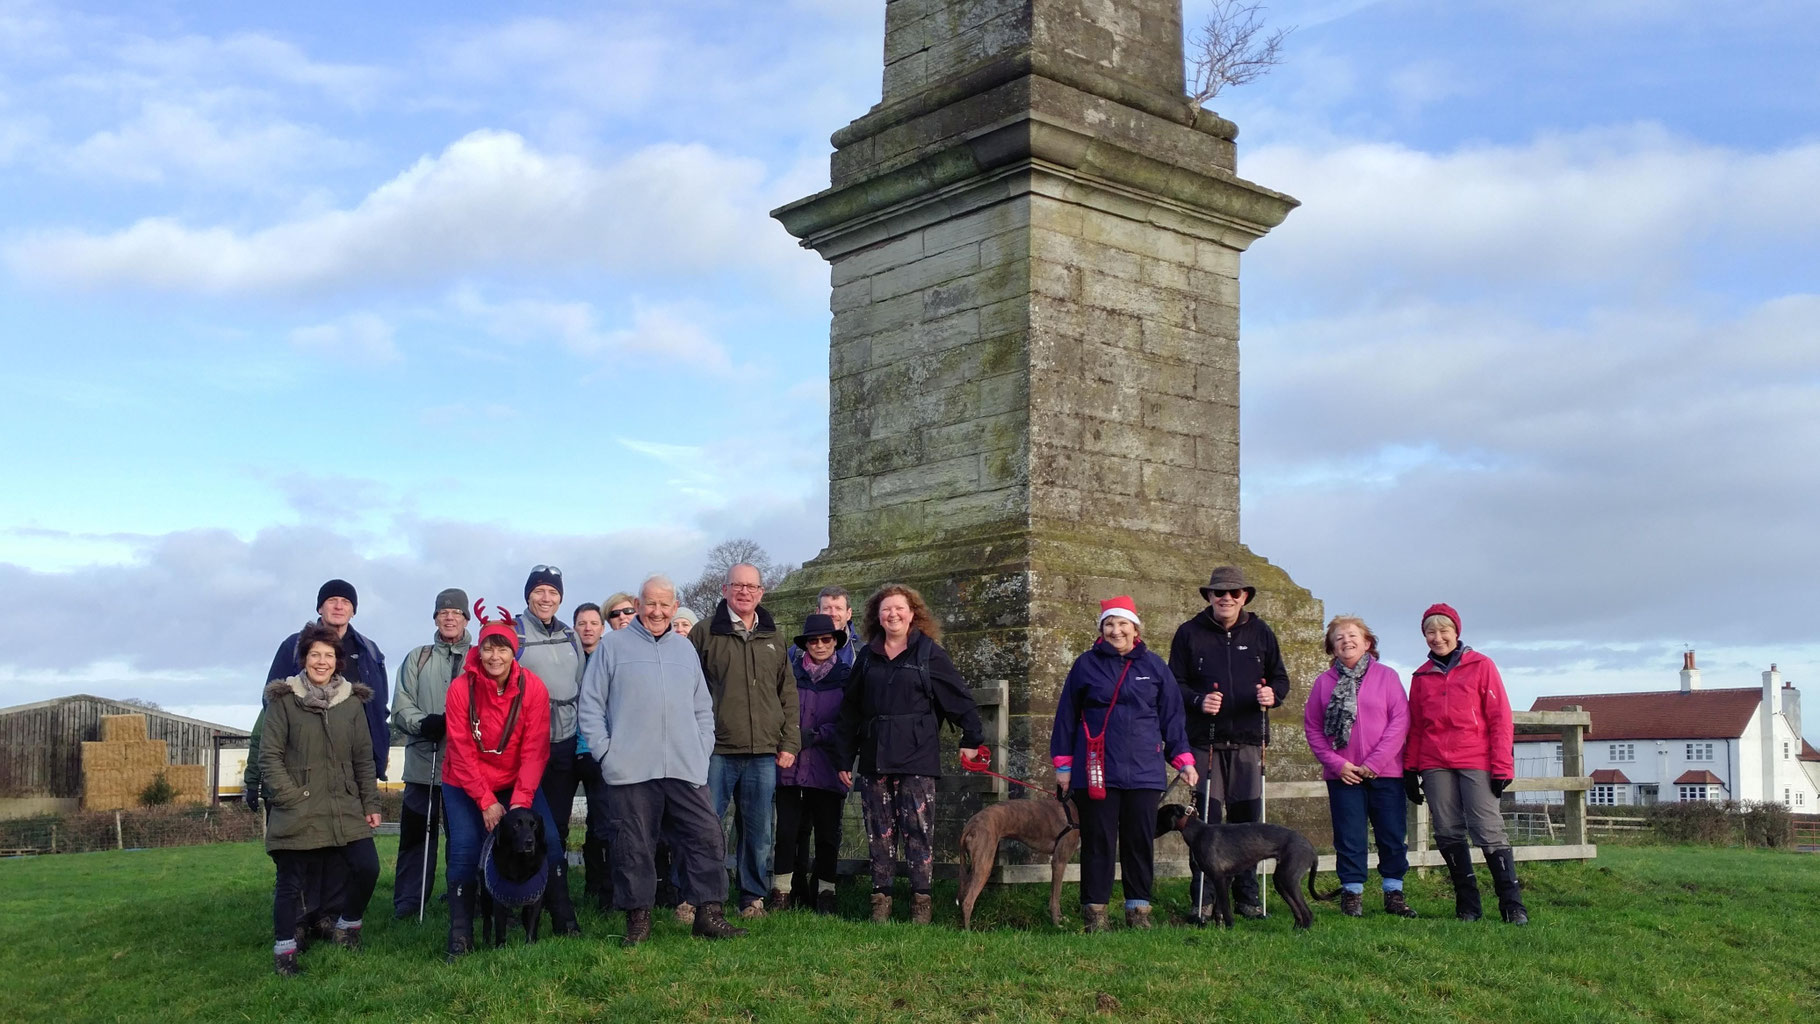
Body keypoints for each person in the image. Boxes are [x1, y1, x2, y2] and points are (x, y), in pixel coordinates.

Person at [579, 574, 748, 945]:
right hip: (631, 770)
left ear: (674, 608)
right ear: (638, 605)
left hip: (685, 767)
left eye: (664, 604)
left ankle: (709, 914)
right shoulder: (613, 647)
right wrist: (607, 753)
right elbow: (590, 706)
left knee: (706, 837)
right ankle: (638, 920)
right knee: (634, 845)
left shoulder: (685, 650)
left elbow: (702, 706)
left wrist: (701, 747)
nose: (657, 611)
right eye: (650, 603)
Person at [837, 583, 987, 925]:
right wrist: (843, 758)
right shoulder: (867, 656)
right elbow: (849, 712)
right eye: (886, 609)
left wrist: (971, 736)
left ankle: (921, 903)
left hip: (917, 757)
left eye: (899, 608)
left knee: (918, 830)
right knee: (879, 832)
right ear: (877, 615)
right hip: (875, 756)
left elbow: (958, 698)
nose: (893, 614)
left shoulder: (928, 652)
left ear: (913, 614)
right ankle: (881, 902)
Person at [255, 578, 392, 943]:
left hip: (344, 776)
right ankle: (300, 923)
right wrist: (286, 792)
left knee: (341, 859)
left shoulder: (368, 651)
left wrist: (378, 761)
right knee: (303, 860)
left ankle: (331, 917)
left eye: (345, 601)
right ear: (319, 607)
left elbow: (376, 712)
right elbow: (271, 720)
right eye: (331, 600)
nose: (338, 606)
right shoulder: (291, 652)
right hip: (301, 778)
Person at [441, 601, 578, 960]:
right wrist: (485, 800)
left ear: (513, 651)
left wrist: (520, 801)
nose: (494, 655)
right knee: (465, 848)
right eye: (488, 647)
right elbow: (459, 748)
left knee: (546, 837)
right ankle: (461, 933)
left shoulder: (532, 688)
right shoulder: (460, 689)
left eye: (502, 647)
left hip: (518, 780)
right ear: (479, 650)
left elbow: (535, 749)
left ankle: (564, 920)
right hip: (464, 781)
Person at [1050, 597, 1197, 932]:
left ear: (1135, 628)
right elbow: (1066, 717)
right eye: (1109, 624)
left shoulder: (1155, 667)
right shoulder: (1085, 666)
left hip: (1144, 770)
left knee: (1139, 840)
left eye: (1122, 624)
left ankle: (1138, 909)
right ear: (1102, 629)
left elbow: (1172, 717)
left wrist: (1183, 759)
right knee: (1099, 841)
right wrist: (1063, 765)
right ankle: (1096, 912)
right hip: (1096, 769)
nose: (1116, 630)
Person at [1168, 565, 1290, 922]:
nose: (1226, 598)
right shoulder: (1189, 633)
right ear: (1208, 595)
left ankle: (1247, 899)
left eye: (1234, 593)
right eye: (1218, 592)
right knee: (1206, 824)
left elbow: (1281, 679)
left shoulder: (1262, 633)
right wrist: (1197, 701)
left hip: (1250, 743)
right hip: (1205, 744)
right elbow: (1174, 684)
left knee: (1249, 826)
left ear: (1245, 597)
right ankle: (1204, 901)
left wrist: (1273, 695)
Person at [690, 563, 799, 918]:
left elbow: (788, 691)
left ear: (761, 592)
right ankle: (696, 897)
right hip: (716, 748)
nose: (745, 592)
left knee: (758, 832)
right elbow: (687, 690)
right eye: (737, 585)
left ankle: (752, 897)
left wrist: (790, 743)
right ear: (725, 589)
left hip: (763, 751)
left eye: (752, 587)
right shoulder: (703, 633)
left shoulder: (774, 636)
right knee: (707, 826)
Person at [1405, 603, 1526, 925]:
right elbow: (1416, 725)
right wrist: (1410, 767)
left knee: (1488, 829)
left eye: (1444, 630)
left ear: (1456, 632)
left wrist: (1502, 766)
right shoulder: (1421, 676)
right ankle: (1467, 904)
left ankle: (1512, 904)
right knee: (1447, 831)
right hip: (1434, 762)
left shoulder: (1482, 666)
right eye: (1431, 631)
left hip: (1476, 758)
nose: (1437, 637)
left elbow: (1499, 719)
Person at [1302, 616, 1416, 919]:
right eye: (1338, 638)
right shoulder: (1322, 684)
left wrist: (1374, 764)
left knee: (1391, 834)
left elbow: (1400, 721)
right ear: (1332, 648)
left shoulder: (1387, 677)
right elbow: (1313, 729)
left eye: (1353, 635)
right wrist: (1339, 765)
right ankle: (1352, 894)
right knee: (1349, 836)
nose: (1346, 641)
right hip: (1344, 775)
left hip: (1386, 772)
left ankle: (1394, 891)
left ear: (1367, 643)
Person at [388, 587, 471, 920]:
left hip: (465, 767)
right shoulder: (417, 657)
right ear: (435, 617)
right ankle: (409, 902)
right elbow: (401, 704)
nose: (449, 617)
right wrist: (424, 724)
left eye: (456, 613)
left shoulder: (479, 656)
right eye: (443, 612)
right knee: (415, 840)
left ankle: (463, 895)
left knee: (462, 839)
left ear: (466, 618)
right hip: (424, 764)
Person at [514, 565, 585, 935]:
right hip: (526, 747)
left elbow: (583, 686)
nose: (546, 598)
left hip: (565, 743)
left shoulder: (571, 636)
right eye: (539, 591)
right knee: (524, 830)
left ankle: (547, 905)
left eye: (553, 592)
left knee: (555, 827)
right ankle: (525, 904)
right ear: (528, 595)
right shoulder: (514, 633)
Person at [771, 613, 852, 914]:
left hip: (828, 766)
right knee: (788, 833)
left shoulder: (846, 677)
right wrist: (791, 736)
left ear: (835, 642)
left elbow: (848, 721)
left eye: (826, 639)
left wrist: (816, 735)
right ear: (805, 645)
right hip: (790, 766)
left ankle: (825, 894)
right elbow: (779, 712)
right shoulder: (790, 675)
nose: (819, 645)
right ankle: (783, 892)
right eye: (813, 640)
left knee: (828, 835)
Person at [572, 602, 615, 912]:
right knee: (559, 823)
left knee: (601, 823)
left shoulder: (611, 657)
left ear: (602, 628)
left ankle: (602, 888)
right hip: (566, 749)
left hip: (598, 751)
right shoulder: (567, 658)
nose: (587, 628)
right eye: (581, 623)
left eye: (593, 622)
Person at [787, 586, 862, 666]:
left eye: (838, 608)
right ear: (818, 612)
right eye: (827, 608)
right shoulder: (796, 652)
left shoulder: (861, 651)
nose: (833, 614)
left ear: (848, 614)